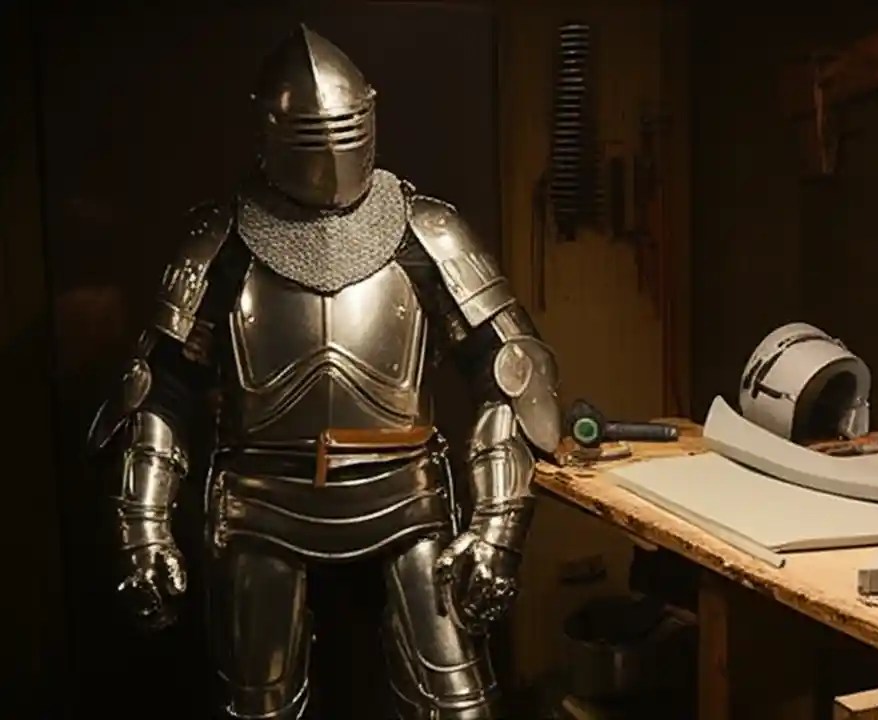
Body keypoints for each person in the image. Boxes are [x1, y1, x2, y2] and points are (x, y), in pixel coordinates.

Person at [86, 25, 560, 719]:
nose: (331, 152)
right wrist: (145, 529)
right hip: (262, 505)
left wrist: (495, 530)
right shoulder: (220, 242)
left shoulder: (427, 232)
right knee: (258, 706)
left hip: (407, 500)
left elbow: (512, 375)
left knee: (457, 708)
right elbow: (158, 390)